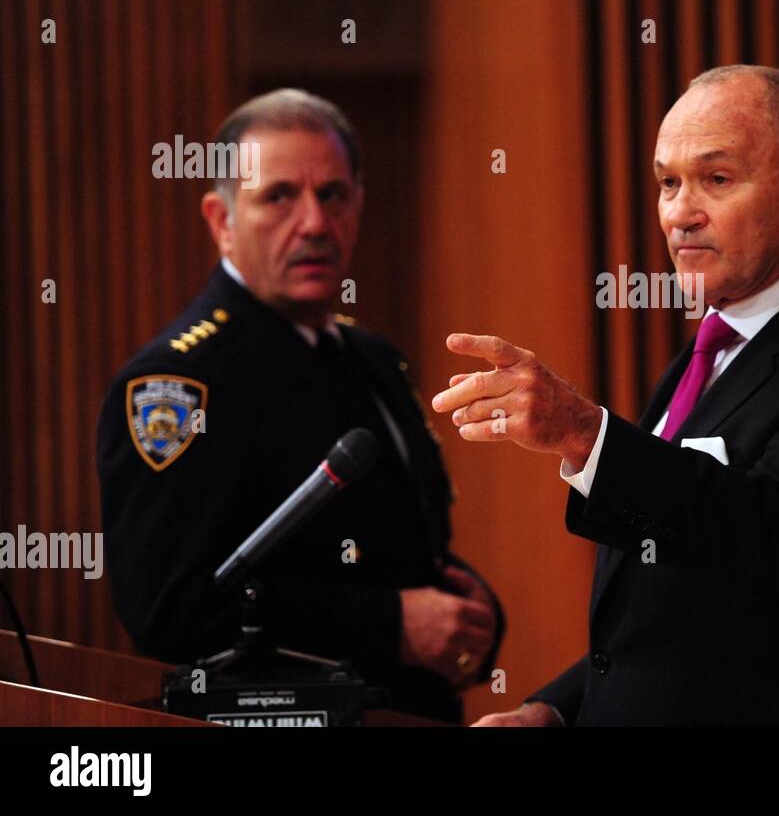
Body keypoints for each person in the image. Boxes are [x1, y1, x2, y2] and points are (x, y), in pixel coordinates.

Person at [434, 65, 779, 726]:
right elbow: (678, 611)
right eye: (668, 183)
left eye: (717, 179)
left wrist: (587, 435)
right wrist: (556, 711)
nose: (680, 213)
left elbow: (776, 549)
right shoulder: (709, 355)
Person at [96, 89, 503, 723]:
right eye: (279, 196)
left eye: (333, 194)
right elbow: (172, 607)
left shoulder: (371, 357)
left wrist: (471, 615)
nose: (314, 223)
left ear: (359, 204)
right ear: (222, 220)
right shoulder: (179, 383)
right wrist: (391, 624)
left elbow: (388, 543)